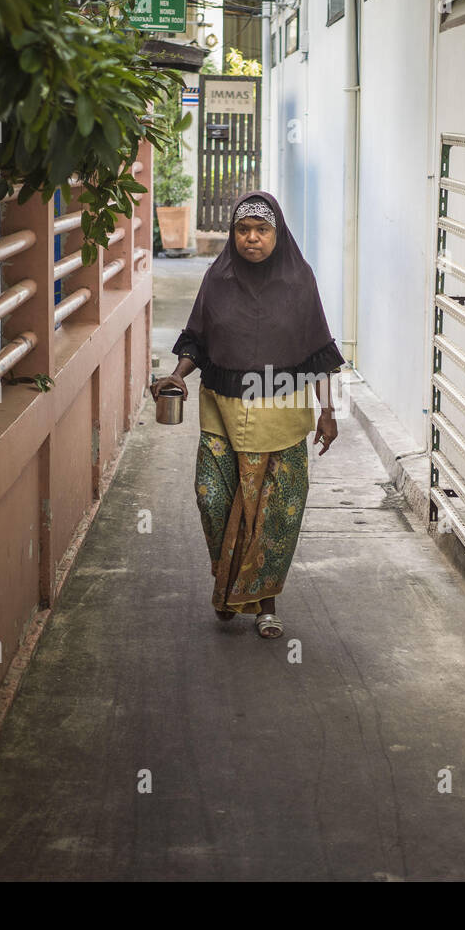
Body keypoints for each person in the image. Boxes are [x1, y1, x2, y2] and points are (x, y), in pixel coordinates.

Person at [150, 191, 345, 639]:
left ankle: (264, 605)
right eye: (242, 230)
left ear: (277, 234)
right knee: (212, 498)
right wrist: (177, 375)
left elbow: (318, 352)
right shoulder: (217, 279)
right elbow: (196, 339)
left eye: (261, 230)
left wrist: (328, 412)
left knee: (272, 516)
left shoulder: (300, 282)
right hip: (222, 412)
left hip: (282, 420)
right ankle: (229, 586)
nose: (251, 239)